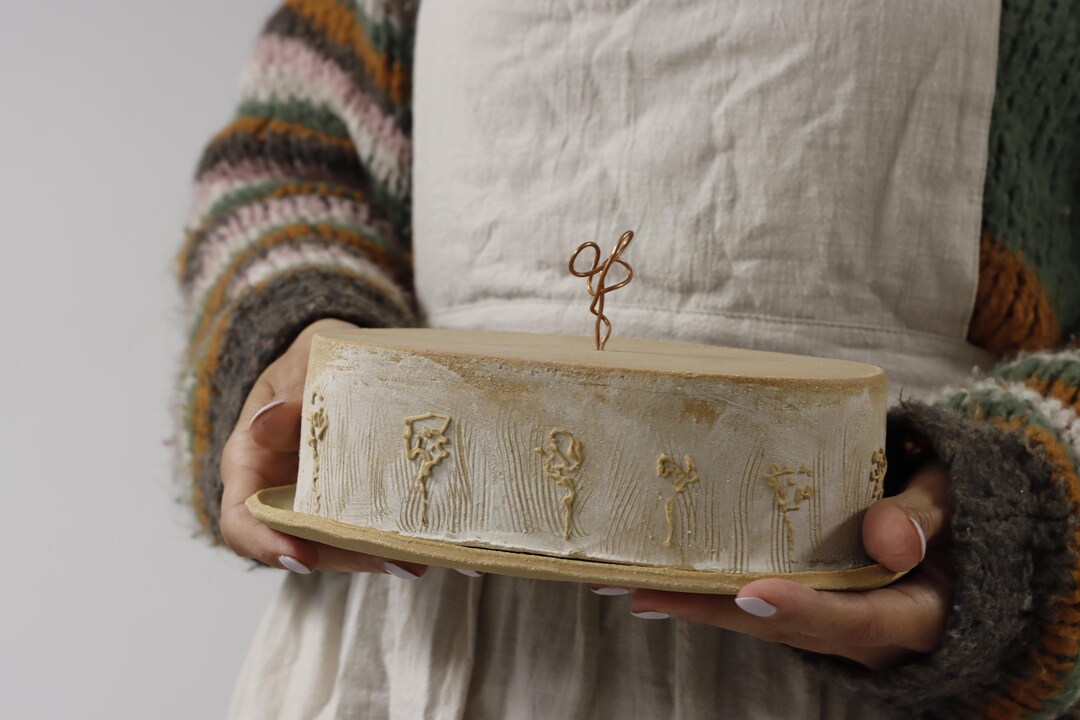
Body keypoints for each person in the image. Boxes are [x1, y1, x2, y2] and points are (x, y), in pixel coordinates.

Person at [176, 1, 1080, 717]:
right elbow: (295, 157)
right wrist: (303, 340)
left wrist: (1027, 532)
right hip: (415, 645)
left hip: (856, 628)